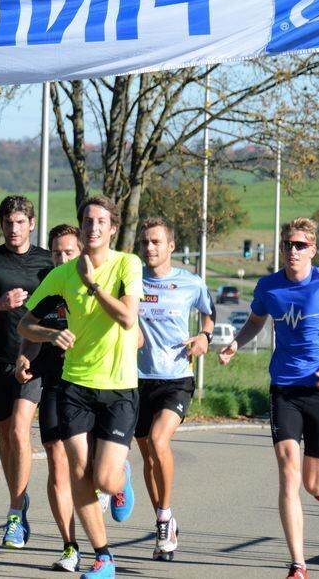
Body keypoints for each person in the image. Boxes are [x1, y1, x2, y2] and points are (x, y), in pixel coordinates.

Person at [219, 217, 319, 579]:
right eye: (288, 244)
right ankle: (298, 564)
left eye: (300, 245)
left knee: (312, 483)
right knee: (288, 473)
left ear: (313, 250)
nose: (293, 251)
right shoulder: (269, 287)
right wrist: (236, 344)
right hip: (284, 388)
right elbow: (256, 320)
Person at [18, 195, 142, 579]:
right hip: (76, 384)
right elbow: (25, 324)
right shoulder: (62, 274)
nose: (94, 227)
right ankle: (103, 556)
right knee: (79, 471)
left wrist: (94, 287)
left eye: (101, 221)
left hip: (119, 386)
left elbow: (126, 318)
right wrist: (50, 335)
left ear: (112, 227)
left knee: (104, 478)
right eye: (87, 221)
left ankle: (121, 476)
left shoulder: (127, 264)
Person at [134, 217, 214, 561]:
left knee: (158, 441)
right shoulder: (131, 278)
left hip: (176, 379)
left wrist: (204, 337)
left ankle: (164, 519)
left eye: (156, 242)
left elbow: (210, 314)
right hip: (135, 378)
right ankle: (163, 517)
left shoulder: (191, 283)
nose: (149, 248)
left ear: (171, 246)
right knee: (148, 458)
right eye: (145, 243)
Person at [0, 195, 51, 548]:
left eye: (20, 222)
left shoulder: (48, 262)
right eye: (8, 222)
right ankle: (19, 503)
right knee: (6, 438)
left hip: (34, 359)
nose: (14, 228)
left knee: (21, 432)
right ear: (1, 224)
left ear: (31, 224)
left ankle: (14, 512)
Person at [15, 224, 83, 572]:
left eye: (68, 252)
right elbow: (26, 327)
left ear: (81, 251)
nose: (61, 258)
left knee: (97, 469)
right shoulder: (50, 288)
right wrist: (28, 353)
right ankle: (70, 545)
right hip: (55, 382)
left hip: (93, 383)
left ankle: (118, 475)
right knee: (57, 460)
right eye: (56, 252)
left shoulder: (94, 286)